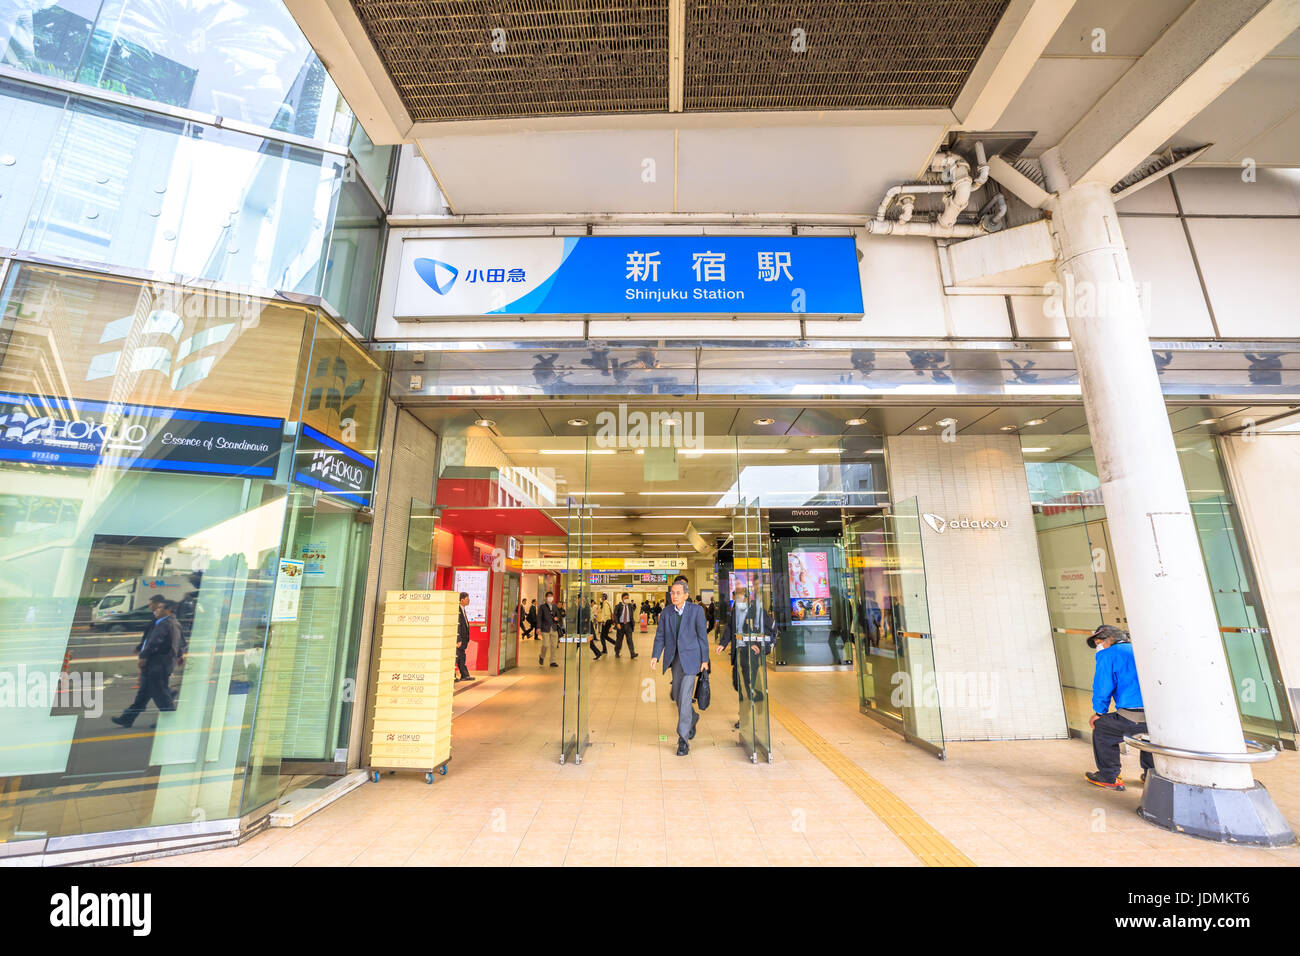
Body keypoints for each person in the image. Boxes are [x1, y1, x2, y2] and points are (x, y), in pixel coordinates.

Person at [1085, 625, 1154, 791]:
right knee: (1149, 736)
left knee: (1102, 728)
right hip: (1157, 714)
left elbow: (1103, 686)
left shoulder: (1107, 655)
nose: (1098, 646)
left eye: (1098, 642)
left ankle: (1109, 776)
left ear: (1109, 639)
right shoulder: (1141, 649)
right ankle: (1151, 774)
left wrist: (1099, 713)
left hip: (1132, 715)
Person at [652, 576, 711, 756]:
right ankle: (692, 717)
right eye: (672, 593)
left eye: (678, 593)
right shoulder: (667, 612)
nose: (674, 596)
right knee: (678, 696)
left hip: (692, 660)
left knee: (685, 698)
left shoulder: (696, 611)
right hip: (675, 660)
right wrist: (656, 655)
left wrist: (704, 660)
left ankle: (682, 739)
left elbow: (702, 637)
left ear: (686, 595)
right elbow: (660, 635)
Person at [111, 598, 180, 728]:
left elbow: (155, 642)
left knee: (161, 694)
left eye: (160, 608)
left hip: (157, 664)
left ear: (168, 610)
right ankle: (127, 718)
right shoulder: (170, 622)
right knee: (144, 694)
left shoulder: (165, 624)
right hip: (160, 664)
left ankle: (169, 721)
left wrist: (143, 656)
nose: (156, 610)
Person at [719, 586, 777, 727]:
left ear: (746, 597)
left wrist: (763, 647)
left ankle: (745, 718)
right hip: (738, 655)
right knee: (737, 683)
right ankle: (755, 696)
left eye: (738, 596)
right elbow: (730, 628)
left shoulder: (758, 612)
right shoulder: (735, 612)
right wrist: (723, 643)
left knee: (746, 686)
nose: (736, 599)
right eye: (735, 596)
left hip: (752, 656)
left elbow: (773, 630)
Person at [538, 591, 560, 667]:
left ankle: (552, 661)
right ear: (546, 597)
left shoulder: (554, 606)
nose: (550, 598)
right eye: (549, 596)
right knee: (545, 644)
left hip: (554, 628)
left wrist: (557, 618)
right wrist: (538, 628)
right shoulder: (542, 607)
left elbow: (558, 616)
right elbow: (539, 618)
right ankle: (542, 656)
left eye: (551, 596)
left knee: (554, 646)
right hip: (545, 628)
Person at [614, 592, 638, 659]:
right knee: (619, 640)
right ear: (622, 599)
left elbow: (631, 614)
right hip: (620, 625)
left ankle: (632, 653)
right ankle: (617, 652)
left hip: (628, 625)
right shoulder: (618, 606)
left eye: (628, 598)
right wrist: (617, 623)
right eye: (625, 598)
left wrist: (633, 623)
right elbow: (615, 615)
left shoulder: (630, 606)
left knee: (630, 640)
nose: (627, 599)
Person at [455, 591, 472, 682]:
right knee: (456, 657)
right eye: (467, 599)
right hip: (459, 639)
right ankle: (454, 676)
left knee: (461, 657)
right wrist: (458, 639)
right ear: (461, 600)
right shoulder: (457, 610)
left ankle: (465, 675)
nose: (469, 600)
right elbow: (457, 625)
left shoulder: (462, 609)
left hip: (464, 639)